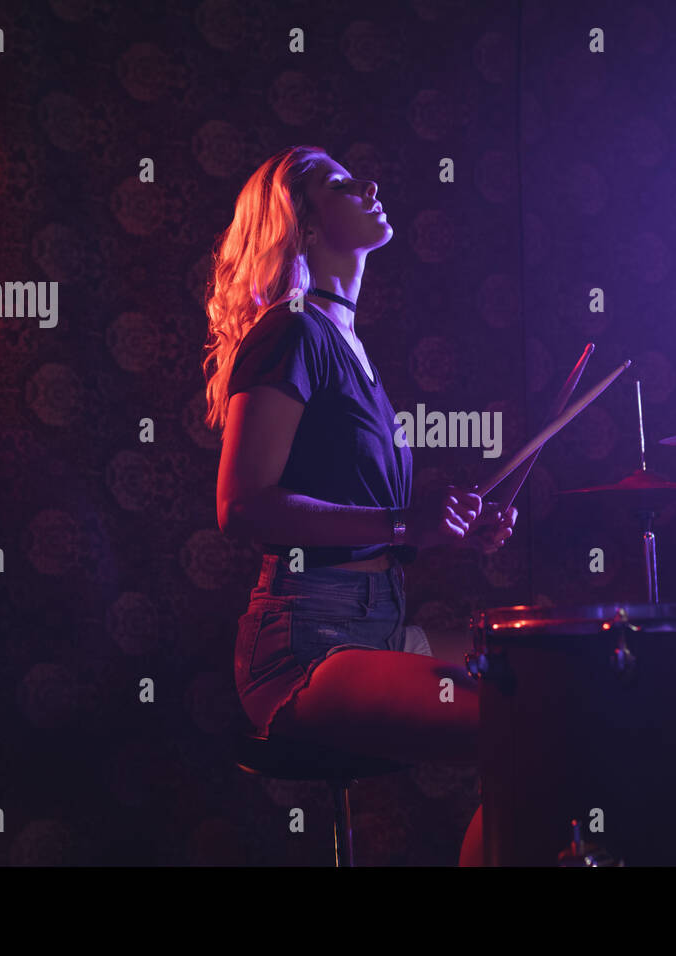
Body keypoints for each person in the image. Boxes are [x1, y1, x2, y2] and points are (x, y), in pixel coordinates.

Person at [202, 145, 518, 866]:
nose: (370, 183)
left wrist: (452, 533)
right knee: (517, 723)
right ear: (304, 227)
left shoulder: (347, 345)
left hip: (376, 626)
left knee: (554, 690)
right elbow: (242, 506)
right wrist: (409, 522)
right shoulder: (292, 330)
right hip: (307, 645)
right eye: (339, 183)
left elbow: (364, 521)